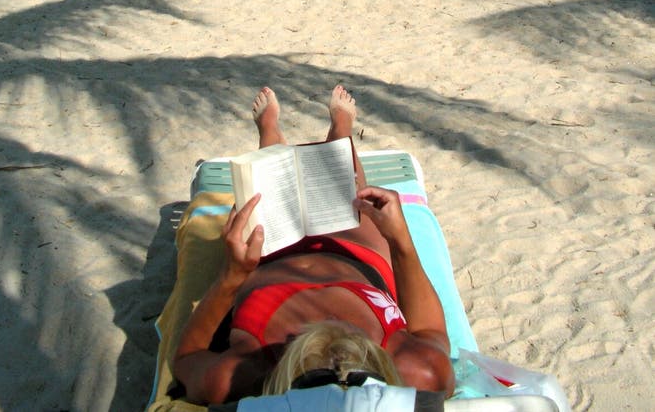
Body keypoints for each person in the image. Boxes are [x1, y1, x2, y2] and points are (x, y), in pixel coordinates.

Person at [173, 86, 454, 405]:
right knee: (352, 193)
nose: (337, 362)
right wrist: (399, 239)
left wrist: (232, 276)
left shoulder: (241, 375)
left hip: (266, 260)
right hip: (356, 260)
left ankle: (270, 135)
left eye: (318, 369)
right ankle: (341, 133)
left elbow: (187, 358)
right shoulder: (419, 372)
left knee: (268, 189)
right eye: (355, 373)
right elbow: (431, 331)